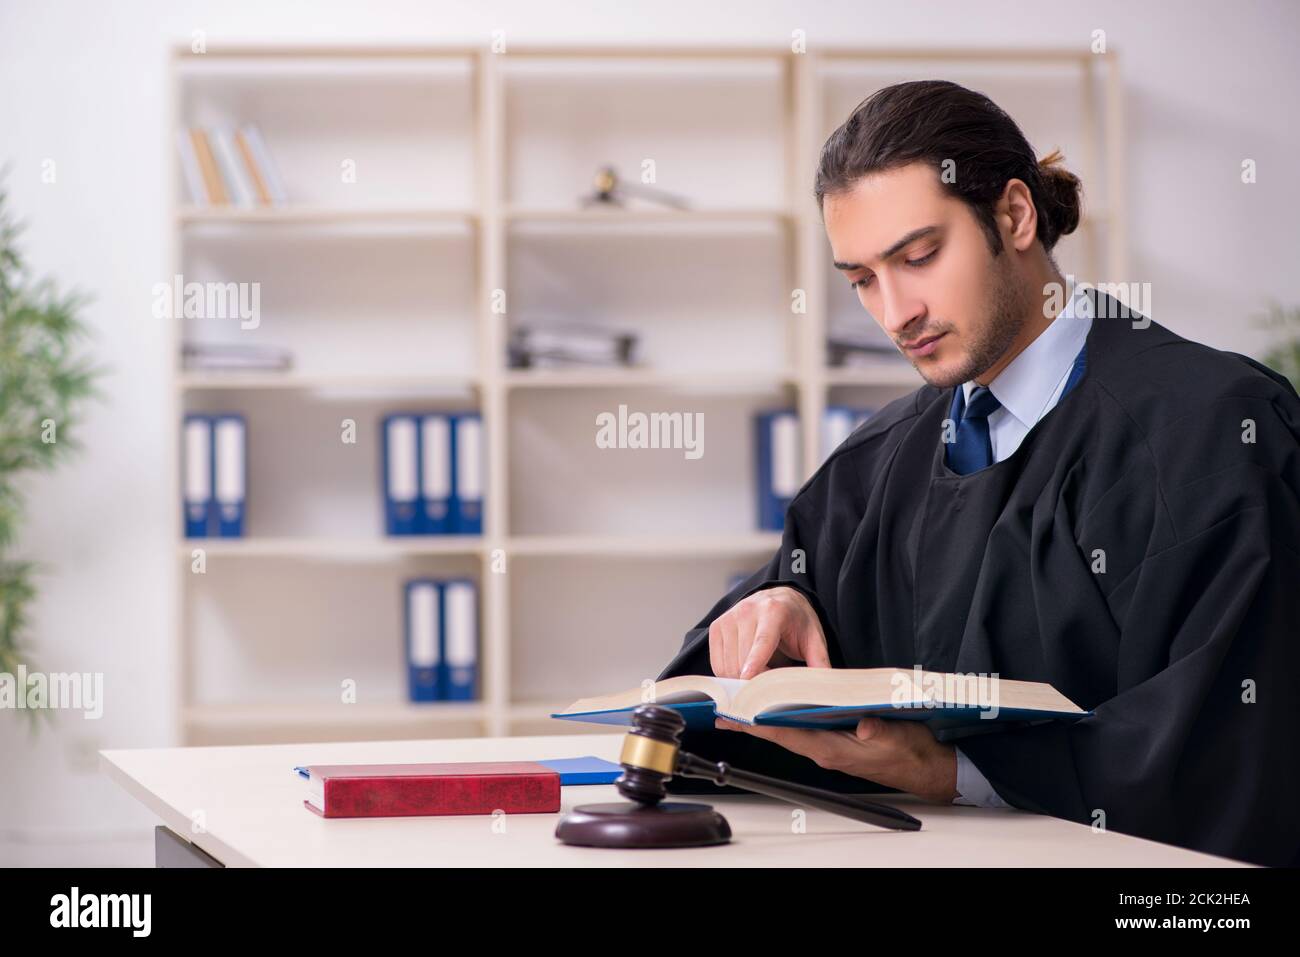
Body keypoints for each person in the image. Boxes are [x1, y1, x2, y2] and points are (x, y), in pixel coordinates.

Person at [656, 80, 1300, 867]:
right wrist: (779, 600)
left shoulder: (1212, 430)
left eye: (919, 256)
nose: (895, 313)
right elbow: (712, 714)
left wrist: (950, 769)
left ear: (1016, 216)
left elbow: (1233, 749)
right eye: (861, 279)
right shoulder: (878, 460)